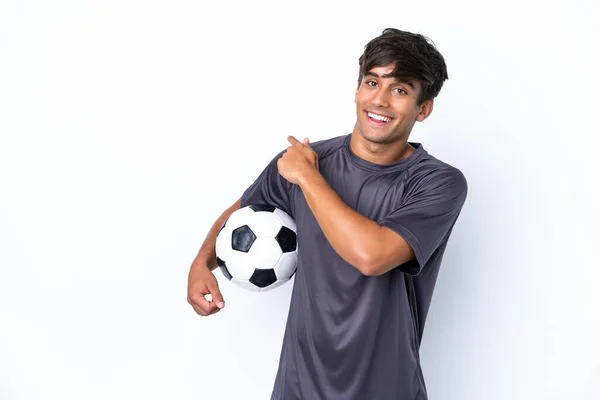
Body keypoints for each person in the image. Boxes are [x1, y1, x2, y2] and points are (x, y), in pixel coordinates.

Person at [187, 28, 468, 400]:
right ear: (357, 90)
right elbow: (241, 210)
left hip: (387, 388)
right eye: (372, 82)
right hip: (299, 387)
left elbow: (372, 256)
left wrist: (307, 177)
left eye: (400, 90)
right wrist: (202, 262)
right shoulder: (303, 162)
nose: (380, 100)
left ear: (424, 108)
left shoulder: (438, 183)